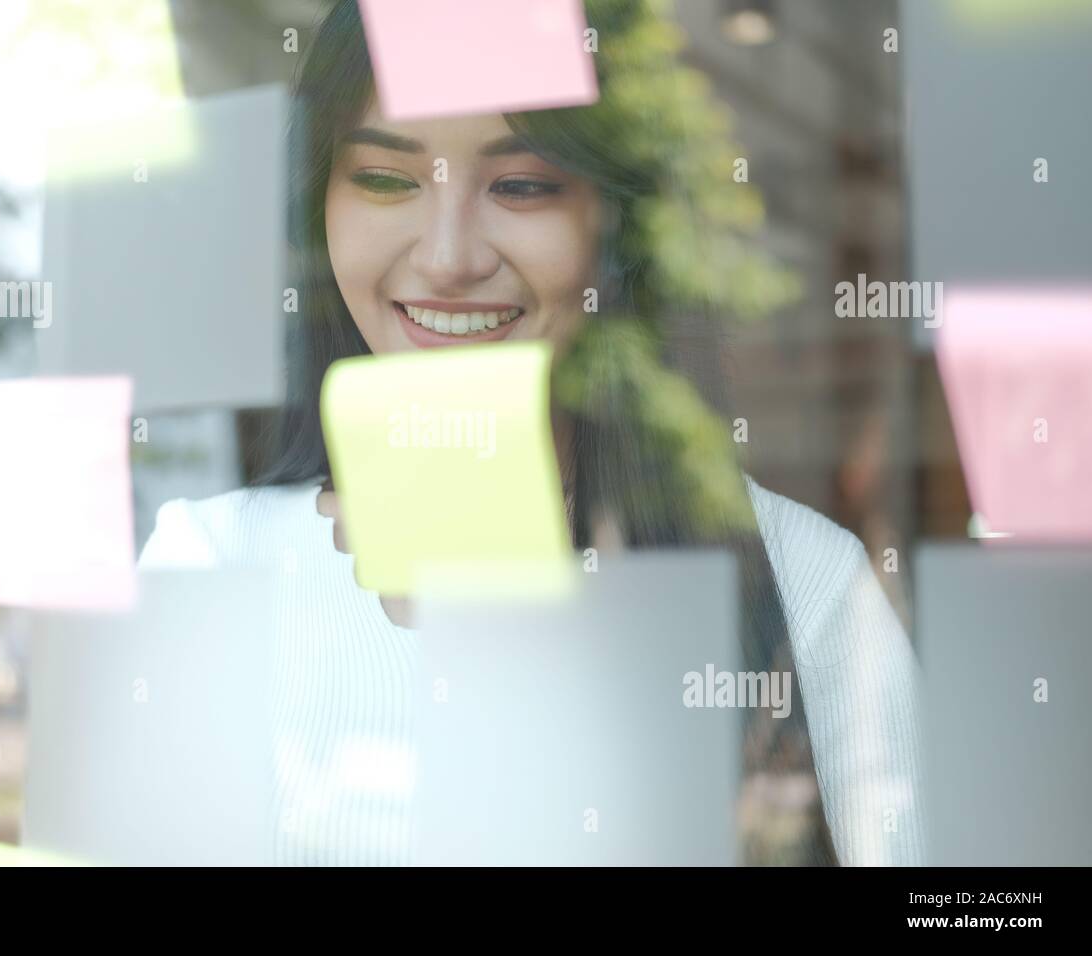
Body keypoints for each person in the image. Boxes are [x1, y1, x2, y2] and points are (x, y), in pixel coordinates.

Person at [137, 0, 925, 865]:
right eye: (387, 180)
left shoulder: (805, 582)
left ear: (616, 228)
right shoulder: (213, 565)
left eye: (520, 185)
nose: (446, 257)